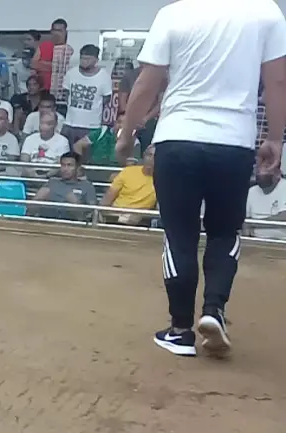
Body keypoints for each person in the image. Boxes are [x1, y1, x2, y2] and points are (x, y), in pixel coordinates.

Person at [120, 0, 286, 357]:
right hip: (233, 143)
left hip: (178, 140)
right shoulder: (266, 11)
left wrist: (126, 133)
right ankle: (214, 310)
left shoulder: (173, 13)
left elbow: (147, 83)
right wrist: (274, 137)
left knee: (180, 235)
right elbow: (278, 80)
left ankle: (180, 330)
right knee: (225, 232)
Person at [103, 145, 158, 226]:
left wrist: (142, 215)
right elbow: (106, 200)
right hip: (115, 216)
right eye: (149, 155)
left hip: (140, 220)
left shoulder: (162, 180)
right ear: (143, 156)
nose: (151, 159)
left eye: (155, 156)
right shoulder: (127, 172)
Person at [21, 110, 71, 177]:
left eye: (49, 124)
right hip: (31, 174)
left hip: (53, 177)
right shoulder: (29, 139)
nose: (44, 127)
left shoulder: (63, 141)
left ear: (55, 125)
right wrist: (32, 174)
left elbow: (61, 163)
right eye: (42, 123)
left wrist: (47, 175)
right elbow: (24, 160)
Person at [245, 160, 286, 240]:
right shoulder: (251, 191)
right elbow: (246, 221)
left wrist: (256, 224)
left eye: (266, 168)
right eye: (258, 169)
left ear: (277, 173)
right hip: (257, 241)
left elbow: (283, 216)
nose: (260, 172)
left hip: (282, 242)